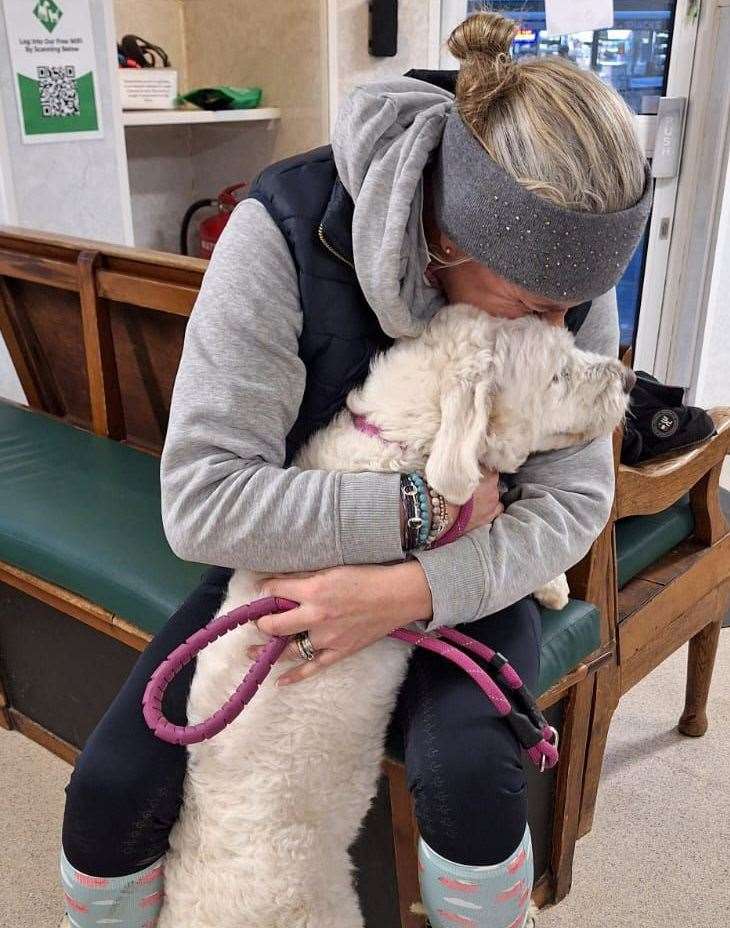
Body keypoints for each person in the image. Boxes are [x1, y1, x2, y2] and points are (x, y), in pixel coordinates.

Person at [58, 11, 651, 928]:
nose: (558, 333)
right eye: (534, 308)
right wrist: (420, 513)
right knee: (108, 795)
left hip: (480, 562)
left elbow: (572, 503)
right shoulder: (283, 232)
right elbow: (203, 502)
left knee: (470, 781)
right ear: (451, 237)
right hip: (288, 548)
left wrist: (409, 589)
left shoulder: (563, 258)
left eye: (572, 311)